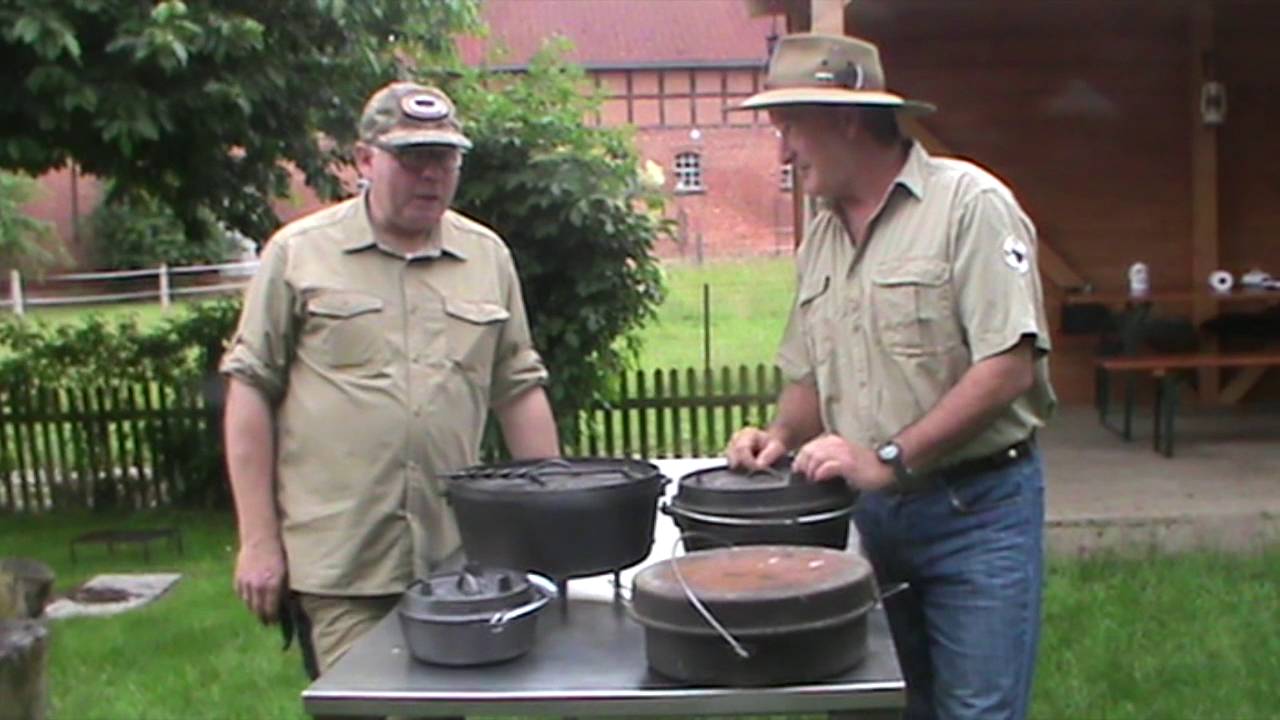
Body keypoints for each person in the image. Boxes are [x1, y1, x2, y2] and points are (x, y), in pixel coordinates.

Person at [724, 34, 1056, 720]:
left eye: (790, 128)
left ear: (846, 118)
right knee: (883, 706)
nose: (782, 151)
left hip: (978, 514)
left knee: (976, 712)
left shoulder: (969, 205)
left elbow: (1008, 367)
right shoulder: (821, 231)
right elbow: (810, 374)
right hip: (871, 522)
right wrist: (780, 434)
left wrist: (888, 457)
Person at [220, 81, 560, 678]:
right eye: (411, 158)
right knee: (362, 704)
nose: (431, 174)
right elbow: (250, 388)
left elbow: (519, 389)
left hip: (456, 558)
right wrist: (257, 539)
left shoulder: (487, 258)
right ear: (364, 160)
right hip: (340, 563)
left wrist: (554, 523)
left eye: (444, 158)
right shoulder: (299, 255)